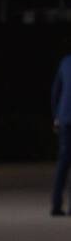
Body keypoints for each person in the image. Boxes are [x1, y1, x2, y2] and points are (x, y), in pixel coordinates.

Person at [51, 53, 71, 216]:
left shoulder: (65, 61)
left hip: (64, 118)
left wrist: (56, 115)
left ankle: (56, 205)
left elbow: (55, 91)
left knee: (63, 163)